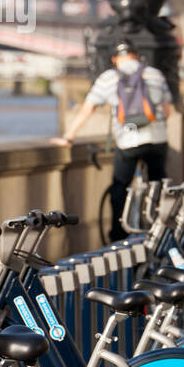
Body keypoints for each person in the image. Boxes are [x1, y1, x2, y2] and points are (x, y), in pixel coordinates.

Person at [52, 40, 173, 240]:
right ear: (136, 55)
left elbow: (87, 109)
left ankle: (119, 235)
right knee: (158, 184)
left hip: (129, 141)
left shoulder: (109, 78)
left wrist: (68, 137)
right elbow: (167, 111)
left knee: (120, 187)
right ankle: (159, 230)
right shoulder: (154, 74)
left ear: (115, 59)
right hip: (157, 139)